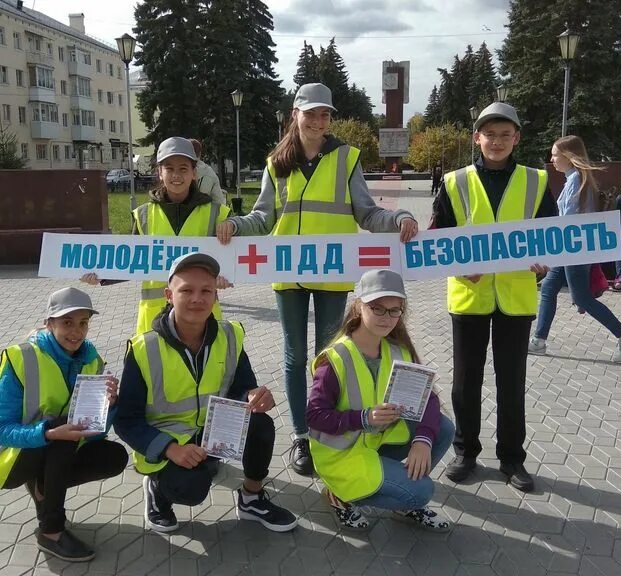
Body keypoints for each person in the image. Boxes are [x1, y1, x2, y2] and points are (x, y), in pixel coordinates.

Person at [216, 83, 419, 476]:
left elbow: (366, 212)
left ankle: (326, 428)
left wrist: (397, 220)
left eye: (325, 114)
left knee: (328, 358)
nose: (318, 121)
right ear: (295, 114)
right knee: (294, 358)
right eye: (310, 113)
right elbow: (264, 217)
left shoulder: (347, 157)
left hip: (332, 274)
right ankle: (300, 436)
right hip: (288, 273)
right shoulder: (277, 163)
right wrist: (235, 226)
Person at [115, 252, 299, 534]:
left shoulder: (229, 335)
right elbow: (126, 420)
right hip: (168, 442)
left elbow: (243, 385)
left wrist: (254, 396)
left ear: (216, 296)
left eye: (206, 291)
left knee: (261, 424)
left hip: (214, 432)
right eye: (186, 290)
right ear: (168, 294)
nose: (197, 299)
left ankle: (251, 498)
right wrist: (170, 449)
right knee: (192, 489)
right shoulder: (144, 348)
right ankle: (157, 490)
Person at [429, 102, 556, 493]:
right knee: (466, 381)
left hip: (516, 298)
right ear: (477, 138)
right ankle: (465, 452)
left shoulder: (536, 181)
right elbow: (436, 239)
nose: (497, 142)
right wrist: (456, 265)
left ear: (516, 138)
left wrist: (547, 262)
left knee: (511, 380)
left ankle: (512, 458)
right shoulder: (454, 182)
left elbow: (552, 237)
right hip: (470, 295)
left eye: (505, 135)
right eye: (490, 134)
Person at [0, 287, 127, 562]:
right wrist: (48, 433)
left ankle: (45, 487)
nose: (76, 331)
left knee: (115, 456)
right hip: (10, 459)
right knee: (62, 428)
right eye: (67, 323)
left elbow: (93, 432)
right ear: (49, 324)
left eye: (83, 323)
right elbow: (1, 430)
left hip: (55, 448)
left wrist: (109, 405)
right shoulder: (21, 358)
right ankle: (51, 532)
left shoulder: (91, 359)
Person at [308, 269, 455, 531]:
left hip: (375, 442)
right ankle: (340, 495)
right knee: (421, 491)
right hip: (343, 455)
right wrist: (363, 418)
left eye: (394, 310)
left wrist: (422, 440)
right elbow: (314, 416)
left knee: (442, 428)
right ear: (358, 306)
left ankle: (402, 497)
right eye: (377, 308)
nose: (386, 318)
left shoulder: (396, 350)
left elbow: (429, 399)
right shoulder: (336, 358)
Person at [82, 136, 231, 336]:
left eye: (183, 168)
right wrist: (100, 274)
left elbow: (232, 260)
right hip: (155, 319)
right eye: (169, 168)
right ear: (159, 173)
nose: (176, 175)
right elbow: (131, 259)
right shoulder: (143, 215)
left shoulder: (217, 213)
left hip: (201, 315)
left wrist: (226, 276)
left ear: (194, 173)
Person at [528, 136, 621, 364]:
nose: (551, 159)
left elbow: (569, 220)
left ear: (569, 156)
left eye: (555, 155)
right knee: (549, 289)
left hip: (575, 249)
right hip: (570, 249)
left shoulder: (577, 182)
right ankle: (539, 341)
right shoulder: (576, 179)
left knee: (582, 298)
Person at [190, 138, 227, 206]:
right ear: (200, 154)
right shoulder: (209, 172)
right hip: (207, 213)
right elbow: (219, 201)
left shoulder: (177, 171)